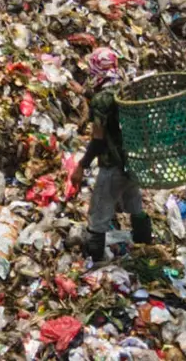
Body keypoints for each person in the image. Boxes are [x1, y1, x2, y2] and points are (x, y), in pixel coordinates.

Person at [71, 78, 150, 261]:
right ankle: (146, 250)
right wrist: (84, 92)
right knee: (135, 206)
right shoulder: (123, 90)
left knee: (98, 215)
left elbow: (98, 140)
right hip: (132, 162)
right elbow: (109, 106)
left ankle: (95, 264)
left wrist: (81, 165)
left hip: (113, 166)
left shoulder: (101, 101)